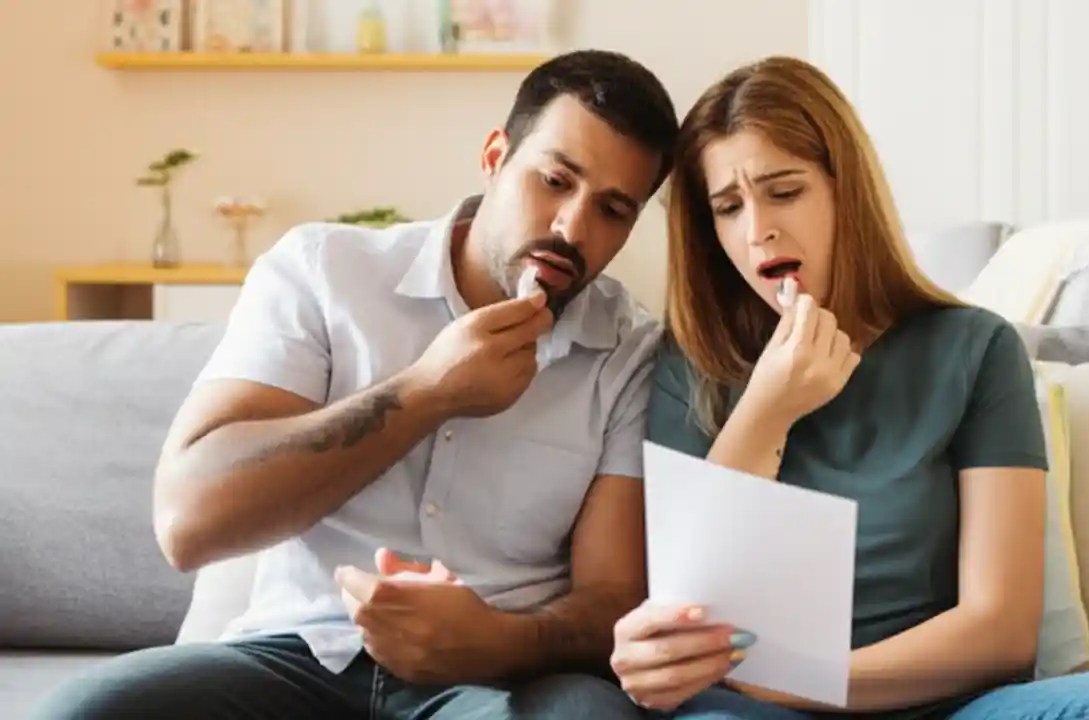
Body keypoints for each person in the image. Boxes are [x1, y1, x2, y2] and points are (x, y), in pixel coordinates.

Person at [609, 56, 1089, 720]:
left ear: (849, 192)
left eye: (784, 192)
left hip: (952, 709)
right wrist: (767, 409)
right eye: (728, 208)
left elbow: (1000, 632)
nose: (758, 230)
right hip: (755, 716)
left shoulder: (975, 349)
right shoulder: (688, 364)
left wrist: (804, 681)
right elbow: (691, 612)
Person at [32, 49, 677, 720]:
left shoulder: (627, 351)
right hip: (293, 656)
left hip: (504, 682)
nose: (573, 227)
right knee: (83, 711)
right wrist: (428, 391)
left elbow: (612, 601)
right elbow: (190, 523)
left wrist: (497, 642)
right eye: (553, 179)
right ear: (494, 156)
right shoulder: (323, 272)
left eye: (613, 210)